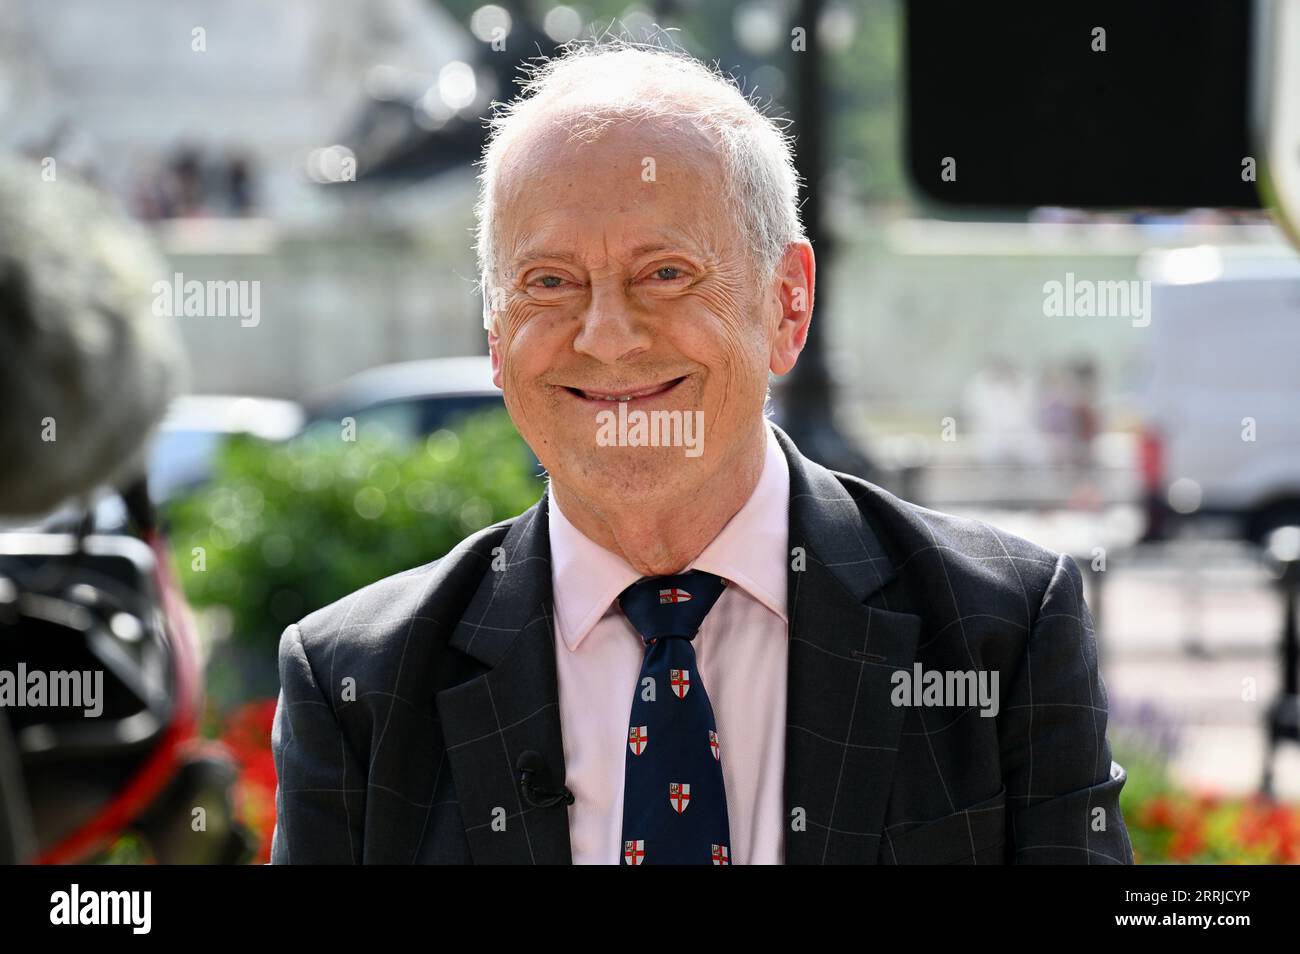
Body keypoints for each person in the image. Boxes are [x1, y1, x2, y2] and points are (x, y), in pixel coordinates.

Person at [269, 42, 1132, 865]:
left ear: (787, 306)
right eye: (549, 283)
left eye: (666, 273)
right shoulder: (359, 685)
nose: (605, 338)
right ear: (496, 338)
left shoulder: (999, 632)